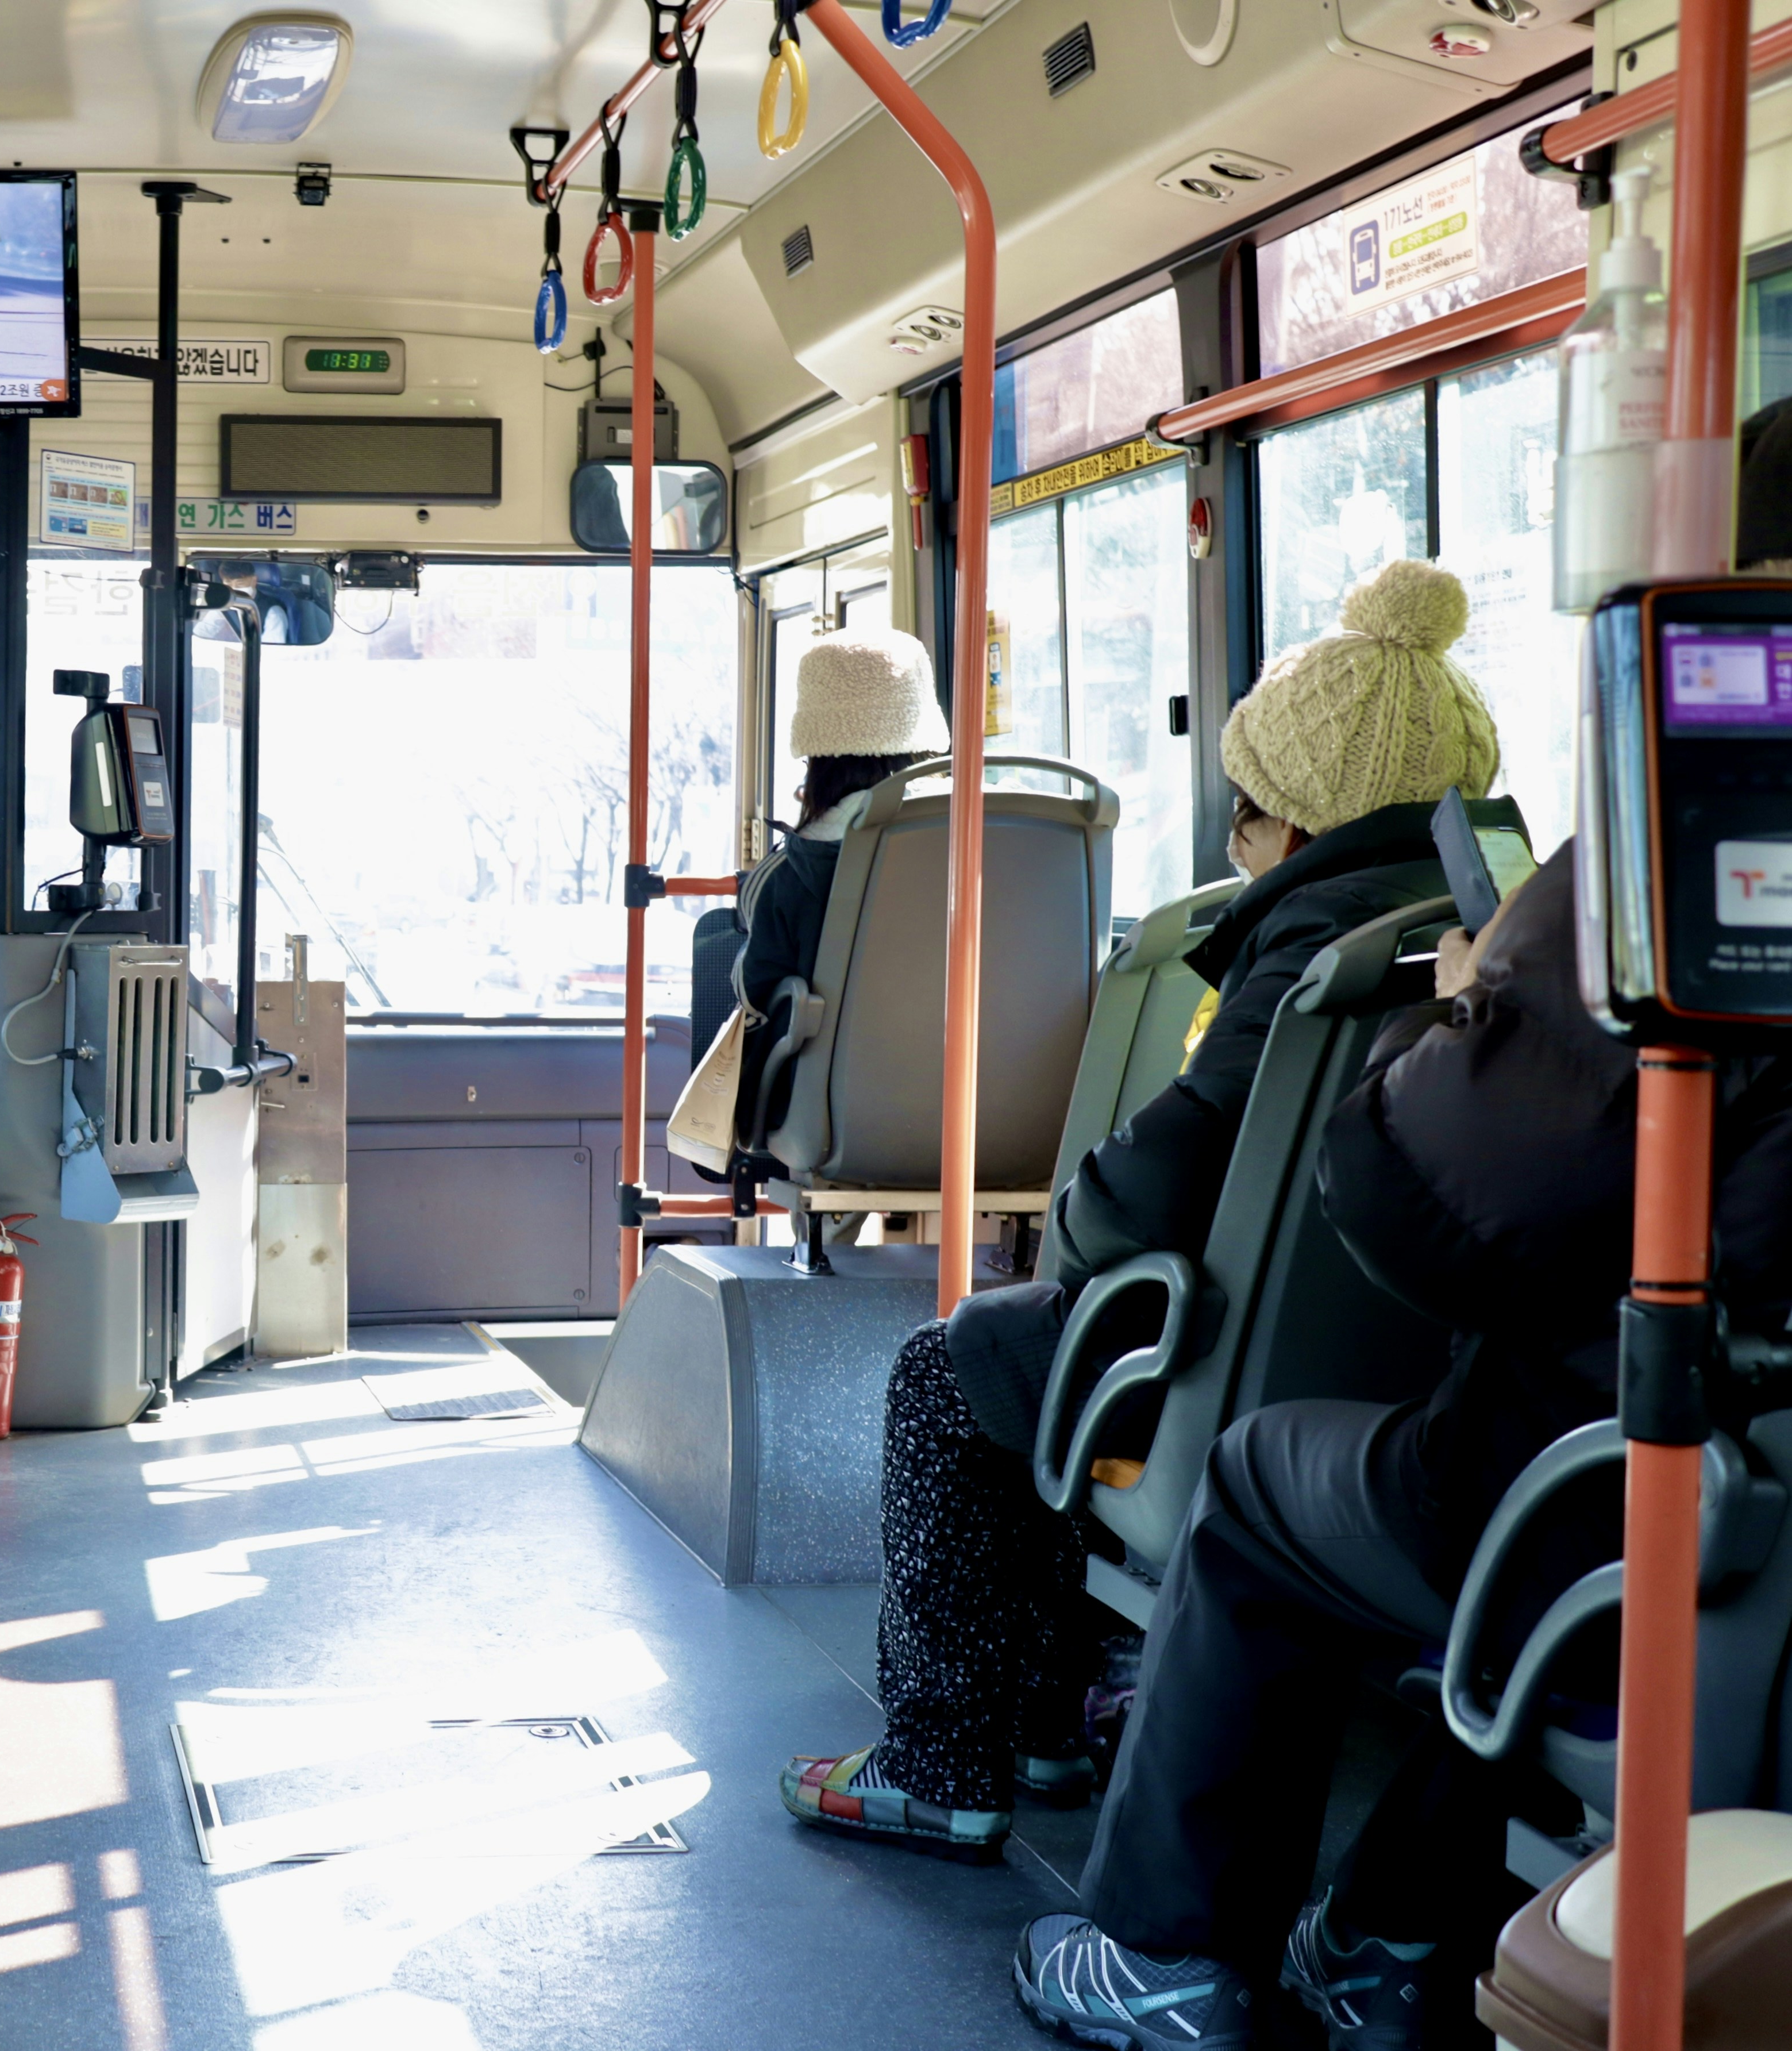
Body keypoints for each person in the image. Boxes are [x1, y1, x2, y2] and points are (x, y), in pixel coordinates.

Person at [781, 557, 1503, 1863]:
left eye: (1244, 810)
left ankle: (938, 1756)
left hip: (1212, 1357)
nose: (1234, 837)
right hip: (1413, 1363)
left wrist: (1074, 1215)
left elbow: (1160, 1176)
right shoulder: (1476, 918)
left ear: (1291, 820)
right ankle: (1050, 1716)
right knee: (1030, 1349)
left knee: (952, 1369)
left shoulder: (1302, 950)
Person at [1011, 842, 1792, 2050]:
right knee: (1497, 1584)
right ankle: (1383, 1932)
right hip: (1752, 1511)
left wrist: (1459, 1002)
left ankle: (1162, 1951)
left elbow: (1410, 1190)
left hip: (1639, 1510)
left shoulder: (1680, 859)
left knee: (1262, 1485)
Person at [708, 626, 943, 1127]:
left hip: (846, 1116)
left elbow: (757, 993)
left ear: (815, 759)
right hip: (1007, 1112)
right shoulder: (1004, 842)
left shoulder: (789, 876)